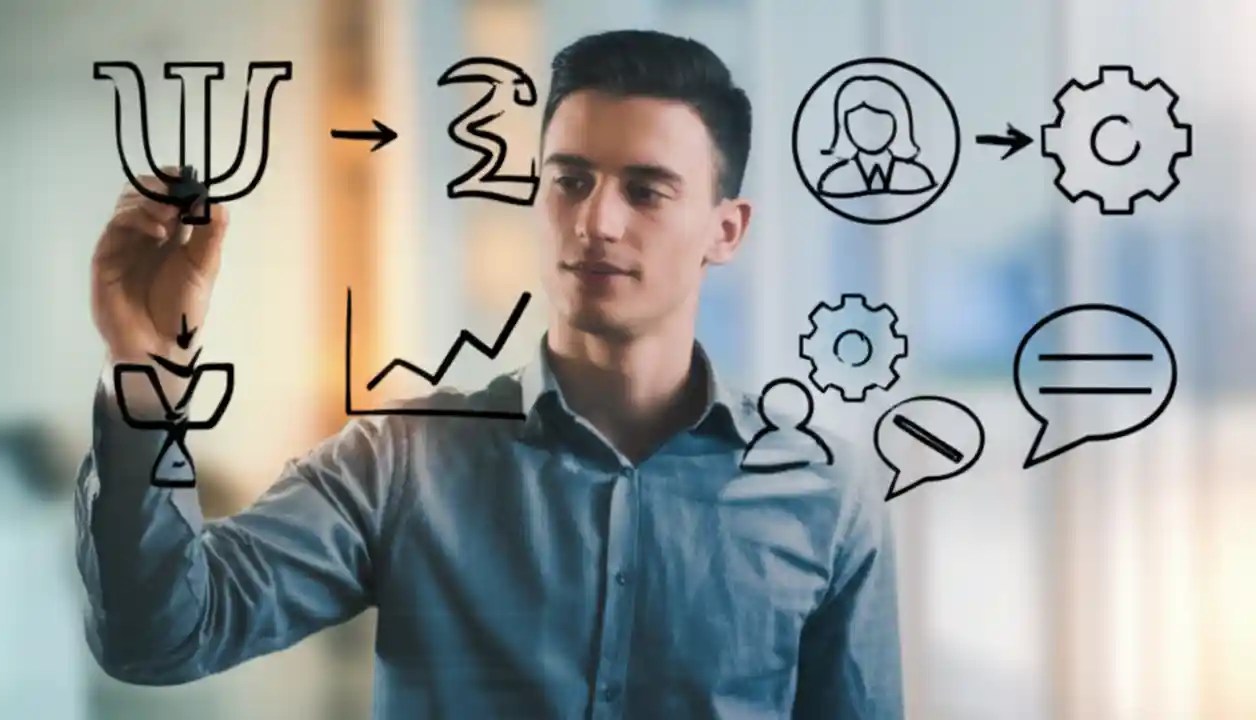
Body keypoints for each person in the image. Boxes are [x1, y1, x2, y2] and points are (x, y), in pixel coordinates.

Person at [76, 29, 904, 718]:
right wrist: (147, 372)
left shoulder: (822, 495)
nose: (594, 221)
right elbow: (162, 638)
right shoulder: (402, 459)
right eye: (569, 180)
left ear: (726, 230)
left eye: (647, 191)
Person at [817, 75, 936, 198]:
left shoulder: (918, 177)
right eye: (858, 122)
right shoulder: (834, 181)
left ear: (898, 124)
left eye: (879, 122)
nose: (869, 132)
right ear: (845, 125)